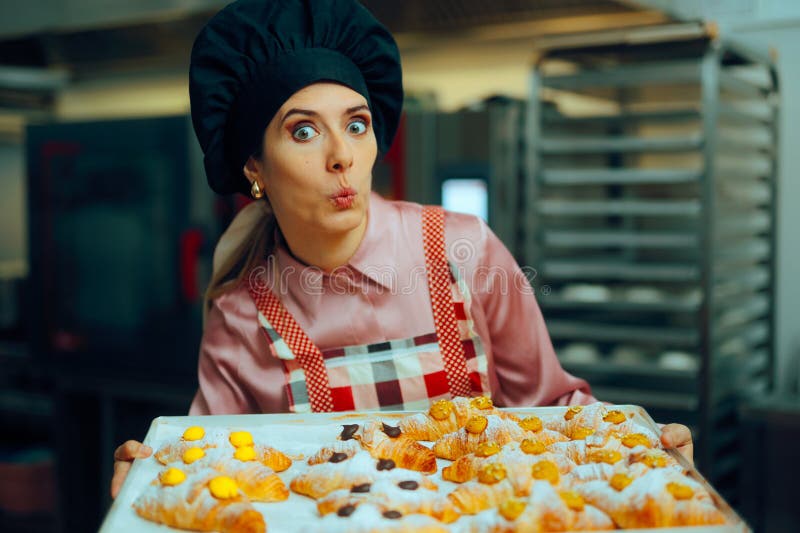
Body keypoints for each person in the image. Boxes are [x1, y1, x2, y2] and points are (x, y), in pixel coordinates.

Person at [111, 0, 693, 498]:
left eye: (357, 124)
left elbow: (556, 407)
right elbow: (211, 469)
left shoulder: (463, 249)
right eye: (304, 131)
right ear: (253, 166)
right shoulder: (242, 314)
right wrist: (150, 478)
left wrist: (646, 454)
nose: (341, 155)